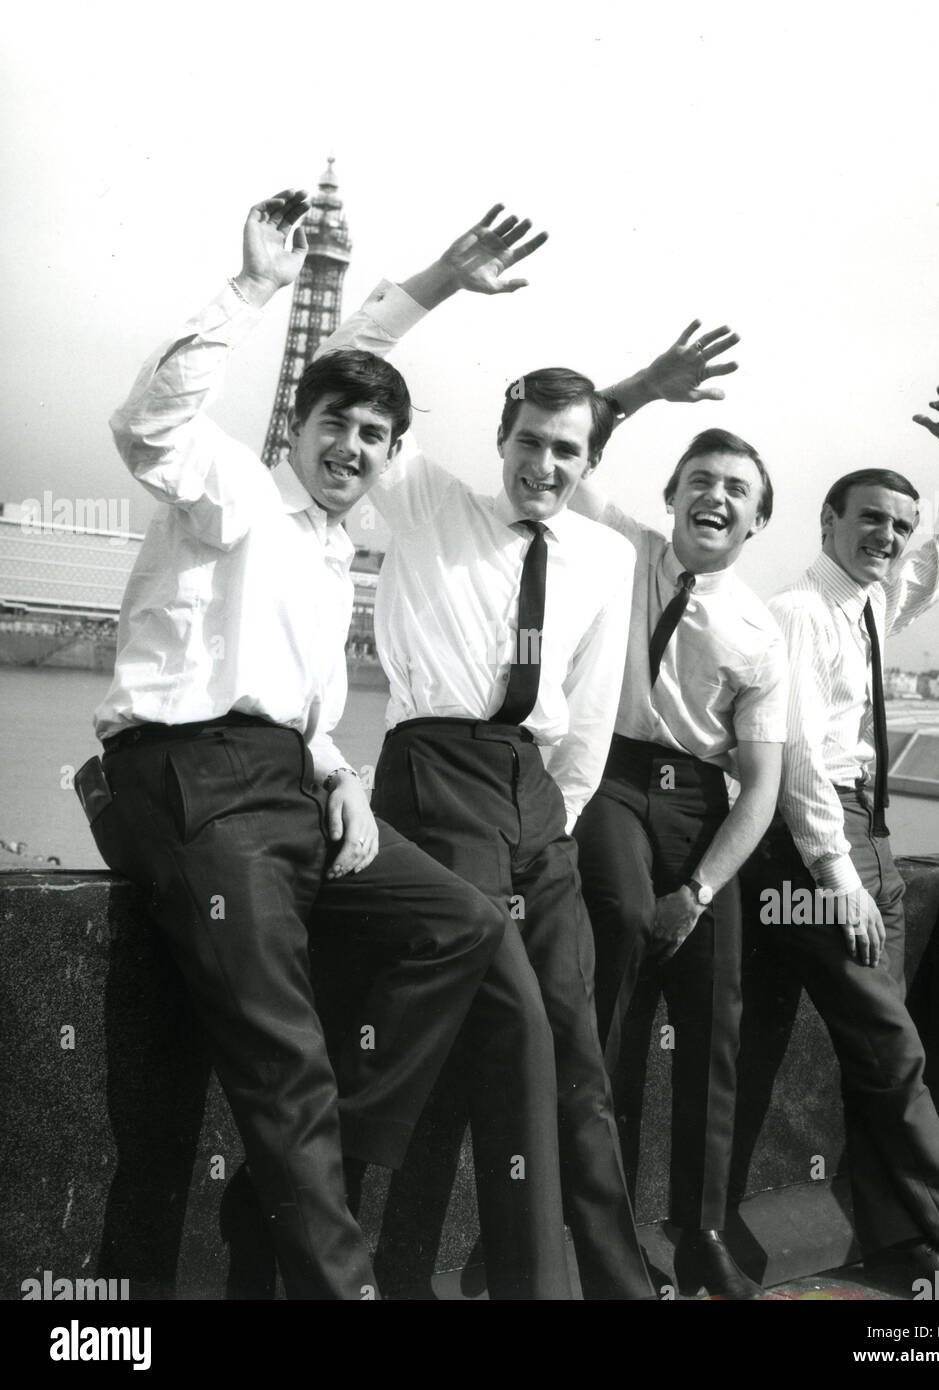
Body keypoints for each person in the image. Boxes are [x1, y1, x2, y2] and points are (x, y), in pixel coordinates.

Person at [78, 191, 503, 1300]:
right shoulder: (230, 492)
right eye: (335, 425)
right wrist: (254, 287)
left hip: (280, 788)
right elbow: (147, 426)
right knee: (282, 1053)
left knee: (455, 923)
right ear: (295, 427)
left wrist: (345, 780)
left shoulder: (327, 560)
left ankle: (282, 1186)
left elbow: (302, 715)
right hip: (185, 777)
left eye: (375, 436)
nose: (353, 448)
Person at [316, 206, 657, 1299]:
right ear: (498, 441)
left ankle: (608, 1281)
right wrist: (436, 282)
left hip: (535, 802)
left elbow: (591, 715)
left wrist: (552, 811)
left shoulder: (605, 560)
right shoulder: (426, 505)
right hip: (435, 771)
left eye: (567, 451)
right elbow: (344, 370)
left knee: (577, 1049)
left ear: (589, 457)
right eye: (528, 444)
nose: (543, 466)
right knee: (506, 1029)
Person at [740, 384, 939, 1297]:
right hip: (823, 846)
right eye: (869, 519)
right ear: (828, 521)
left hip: (872, 839)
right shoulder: (798, 612)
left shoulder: (870, 602)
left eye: (896, 526)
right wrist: (842, 877)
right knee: (898, 1054)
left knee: (879, 1055)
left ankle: (897, 1236)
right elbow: (796, 766)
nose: (887, 537)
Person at [571, 331, 787, 1297]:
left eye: (738, 490)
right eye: (701, 478)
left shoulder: (757, 630)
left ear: (755, 525)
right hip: (611, 779)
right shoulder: (626, 548)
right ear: (671, 497)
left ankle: (700, 1237)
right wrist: (641, 389)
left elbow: (764, 783)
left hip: (700, 810)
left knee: (714, 1023)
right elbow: (577, 444)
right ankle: (597, 1235)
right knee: (615, 935)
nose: (716, 496)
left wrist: (699, 891)